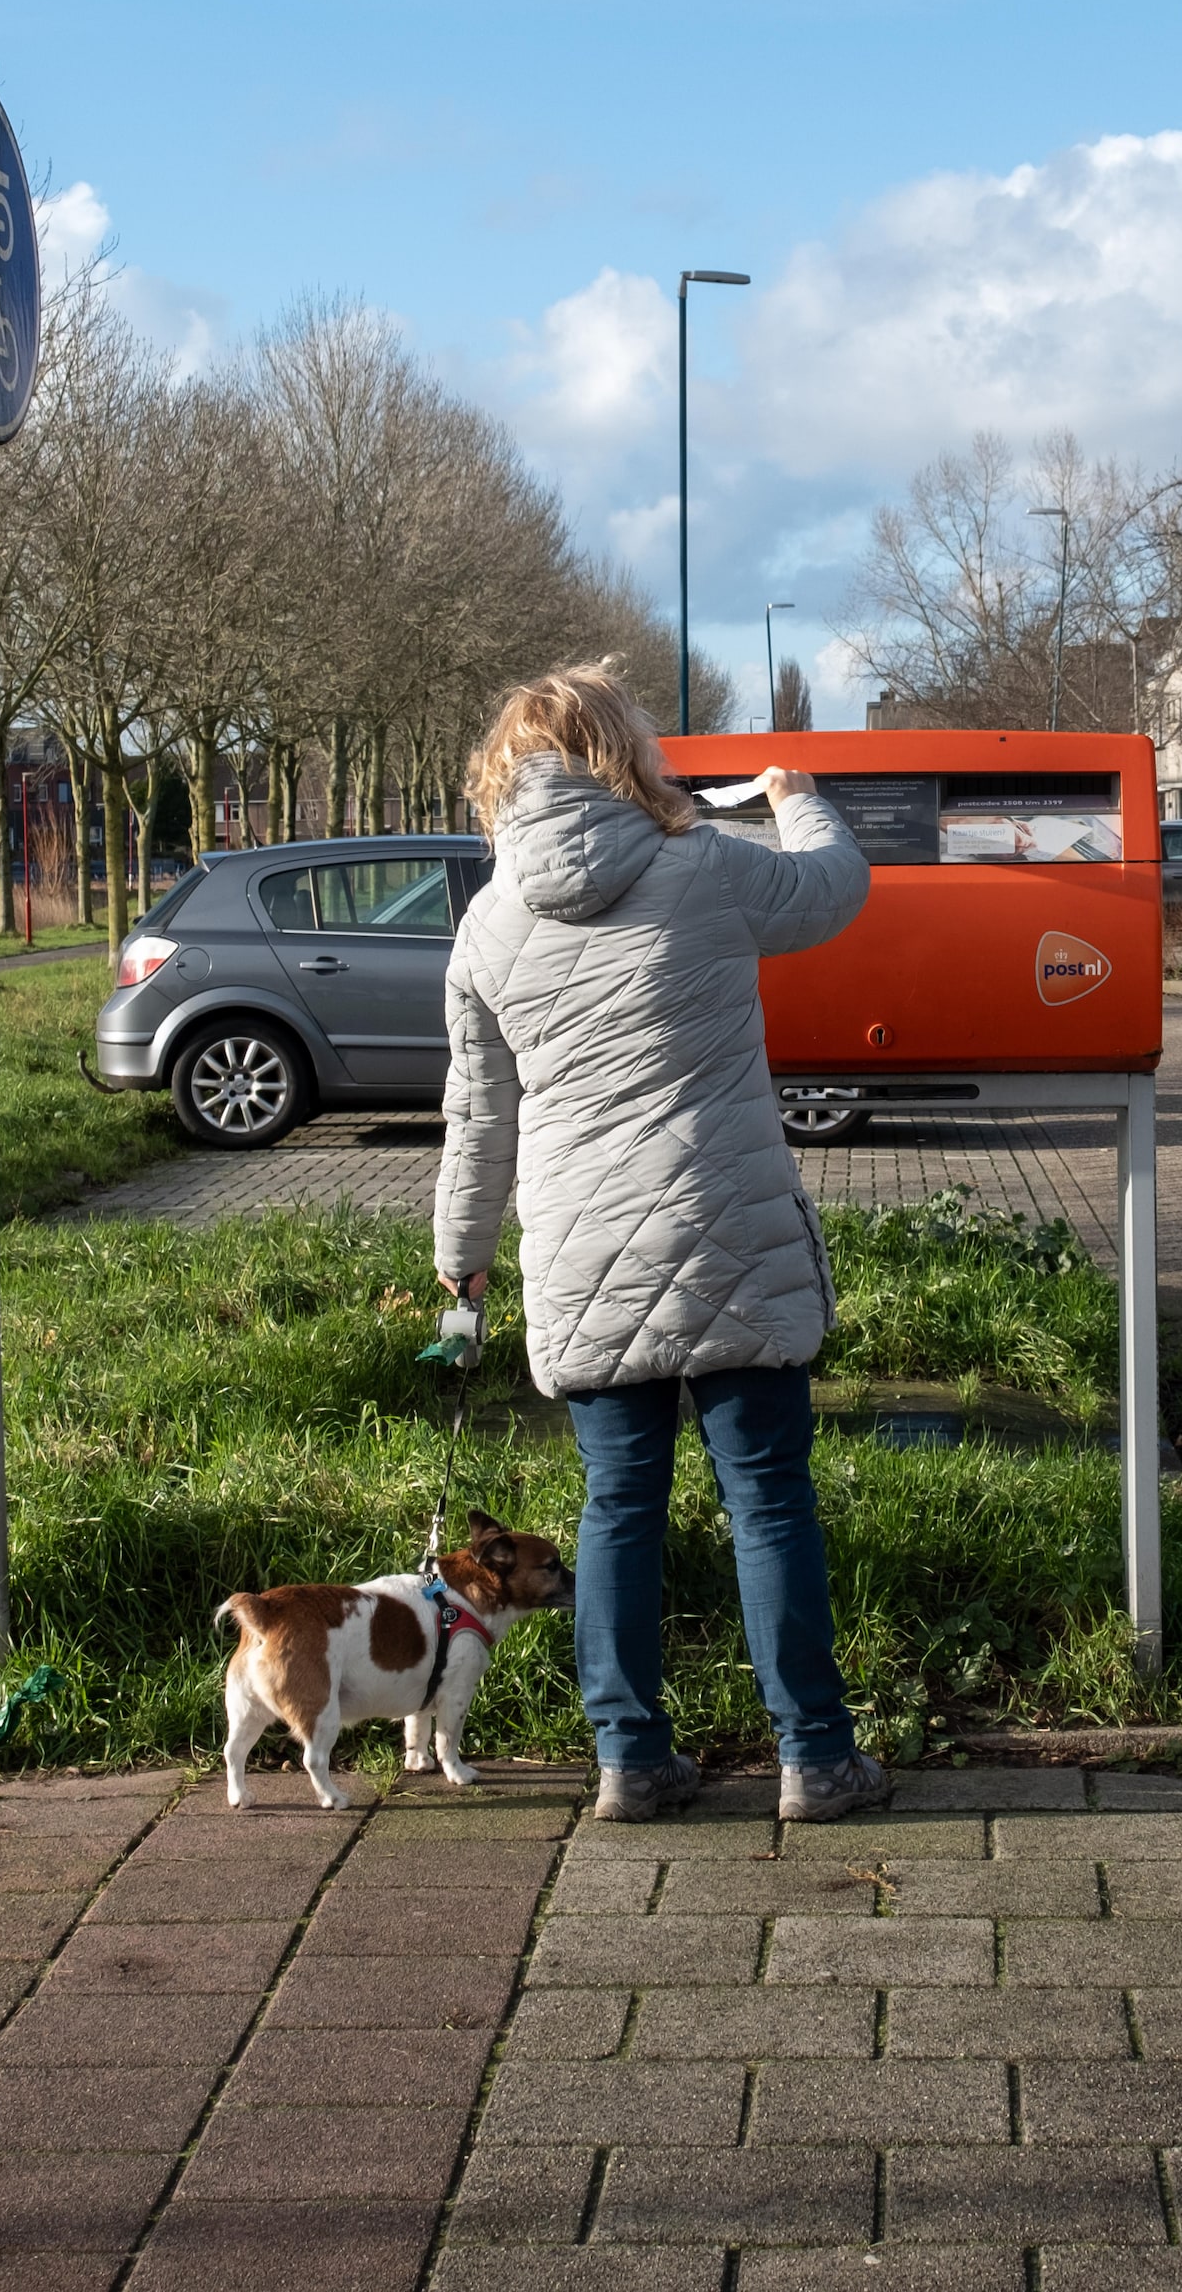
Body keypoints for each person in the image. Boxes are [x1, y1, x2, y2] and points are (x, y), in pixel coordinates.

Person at [432, 664, 887, 1824]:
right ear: (620, 756)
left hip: (584, 1256)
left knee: (618, 1506)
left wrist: (460, 1252)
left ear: (504, 779)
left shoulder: (485, 926)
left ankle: (630, 1759)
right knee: (767, 1499)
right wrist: (798, 798)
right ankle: (814, 1757)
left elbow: (479, 1115)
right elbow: (833, 890)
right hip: (726, 1227)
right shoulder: (702, 864)